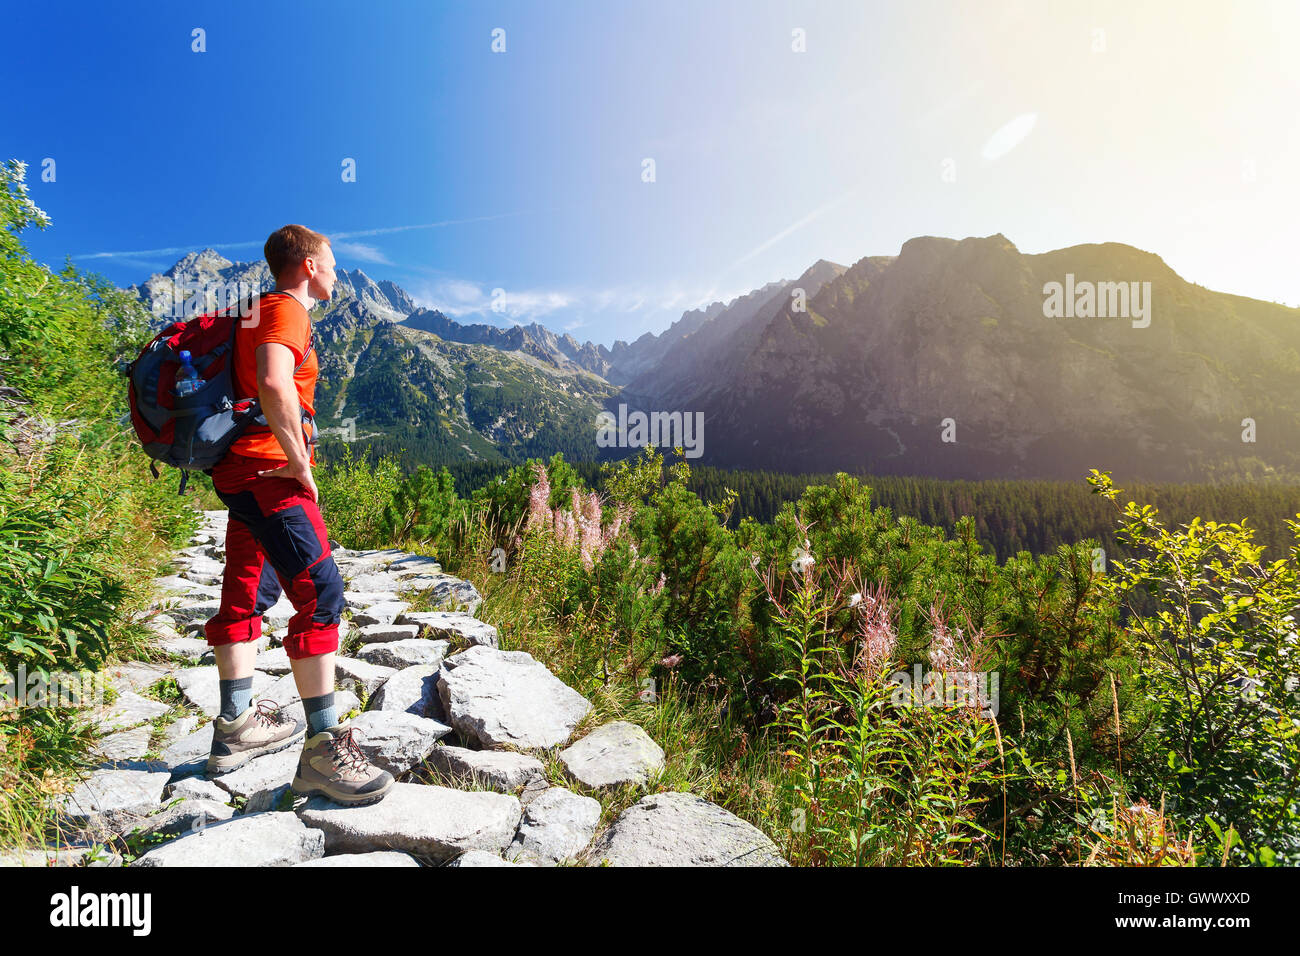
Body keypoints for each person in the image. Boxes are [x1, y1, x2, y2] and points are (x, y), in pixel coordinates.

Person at [202, 224, 393, 805]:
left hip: (240, 475)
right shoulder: (285, 308)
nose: (337, 273)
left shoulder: (256, 309)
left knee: (247, 590)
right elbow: (272, 381)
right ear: (309, 265)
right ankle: (322, 750)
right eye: (332, 263)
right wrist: (298, 462)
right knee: (320, 593)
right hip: (270, 474)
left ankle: (235, 726)